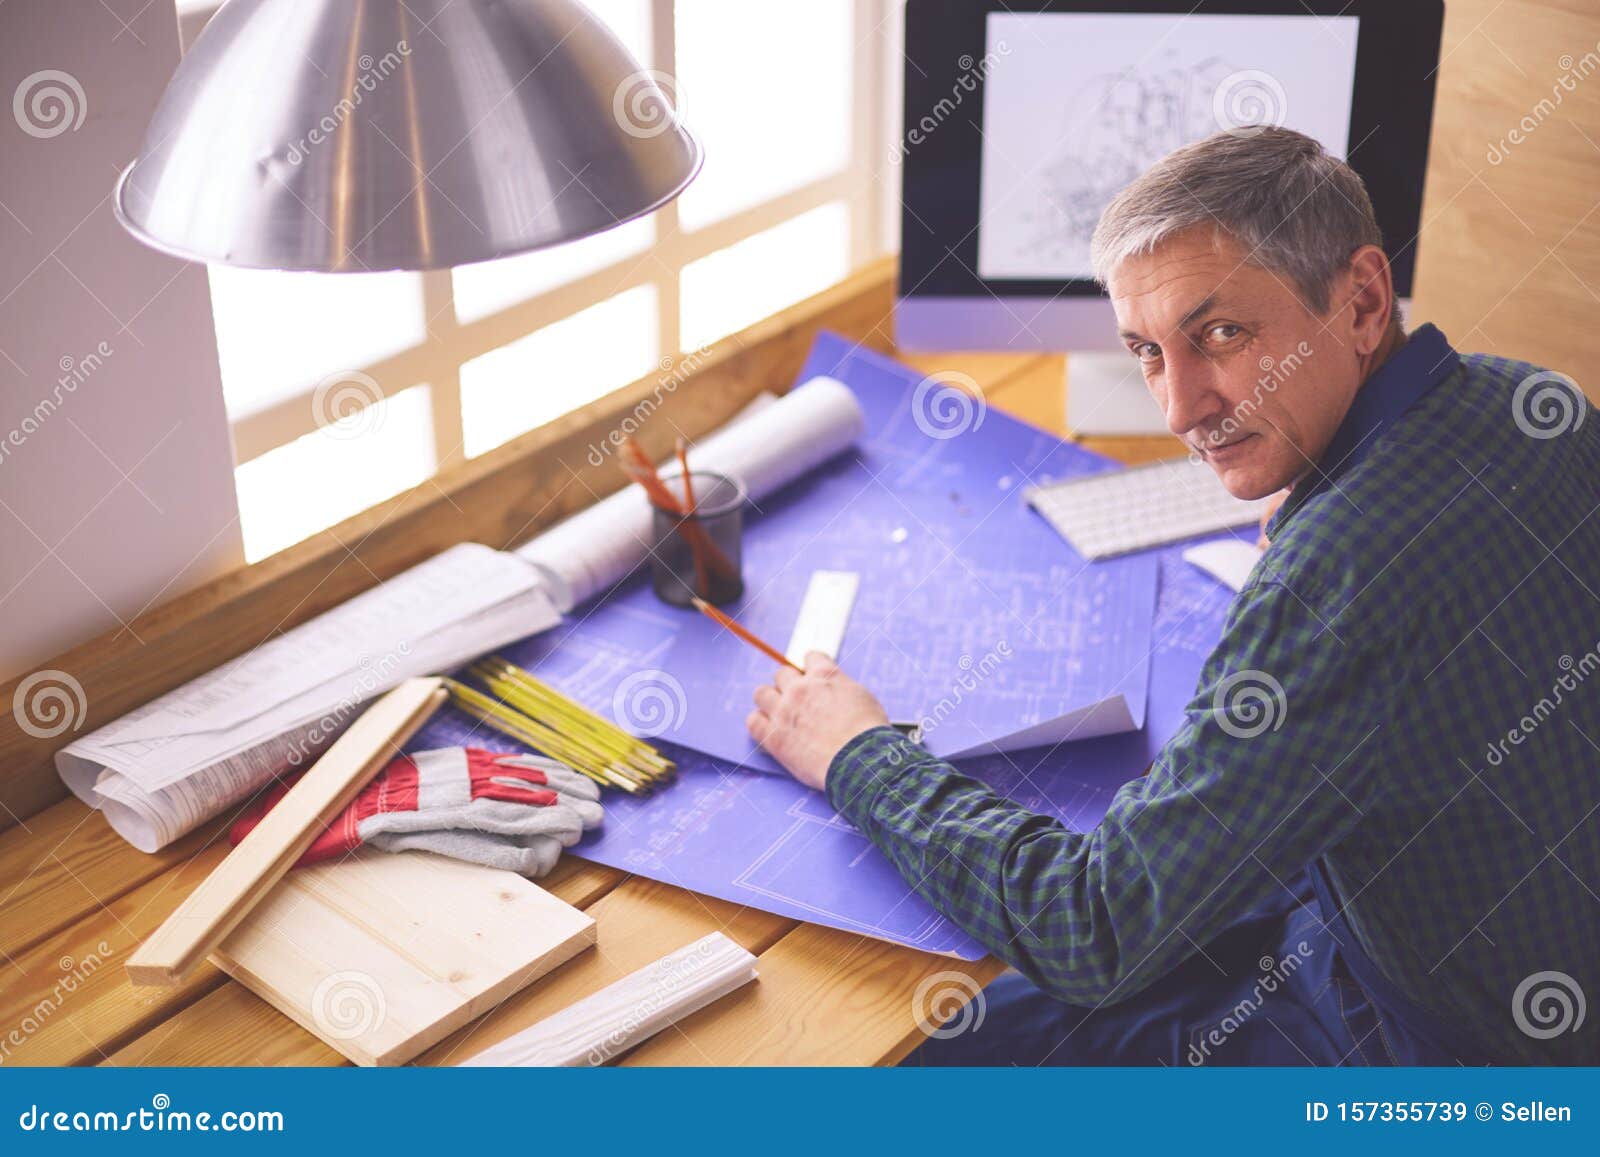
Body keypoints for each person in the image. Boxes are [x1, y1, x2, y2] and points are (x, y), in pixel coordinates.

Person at [745, 127, 1600, 1065]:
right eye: (1147, 351)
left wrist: (859, 754)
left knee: (942, 1047)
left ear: (1361, 302)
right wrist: (1316, 509)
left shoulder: (1339, 574)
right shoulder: (1536, 403)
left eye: (1223, 334)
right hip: (1524, 965)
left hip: (1442, 1058)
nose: (1182, 409)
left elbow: (1091, 928)